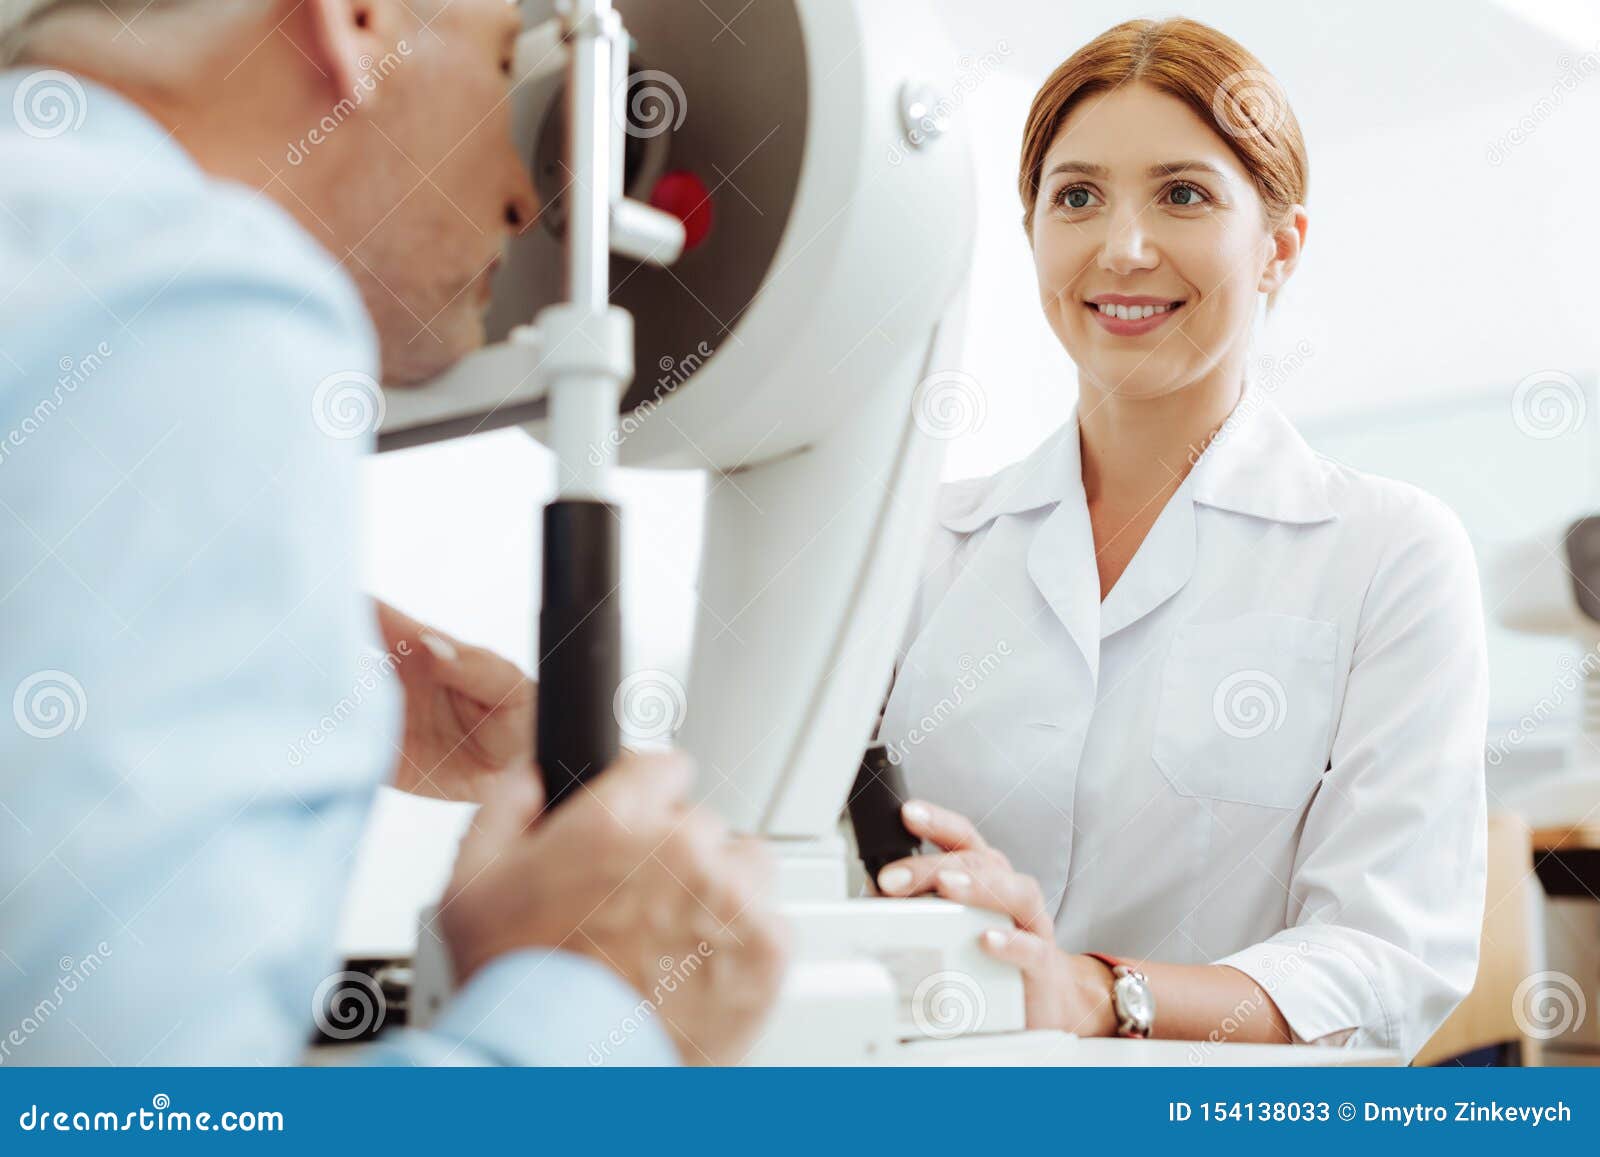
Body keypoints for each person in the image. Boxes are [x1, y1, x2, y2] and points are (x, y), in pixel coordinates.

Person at [0, 0, 783, 1066]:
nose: (522, 198)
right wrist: (584, 1003)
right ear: (355, 23)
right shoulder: (197, 288)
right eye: (506, 68)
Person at [875, 17, 1487, 1060]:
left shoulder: (1388, 551)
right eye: (1075, 197)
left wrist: (1093, 993)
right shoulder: (915, 543)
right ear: (1032, 231)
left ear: (1279, 247)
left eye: (1183, 193)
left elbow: (1385, 956)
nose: (1121, 247)